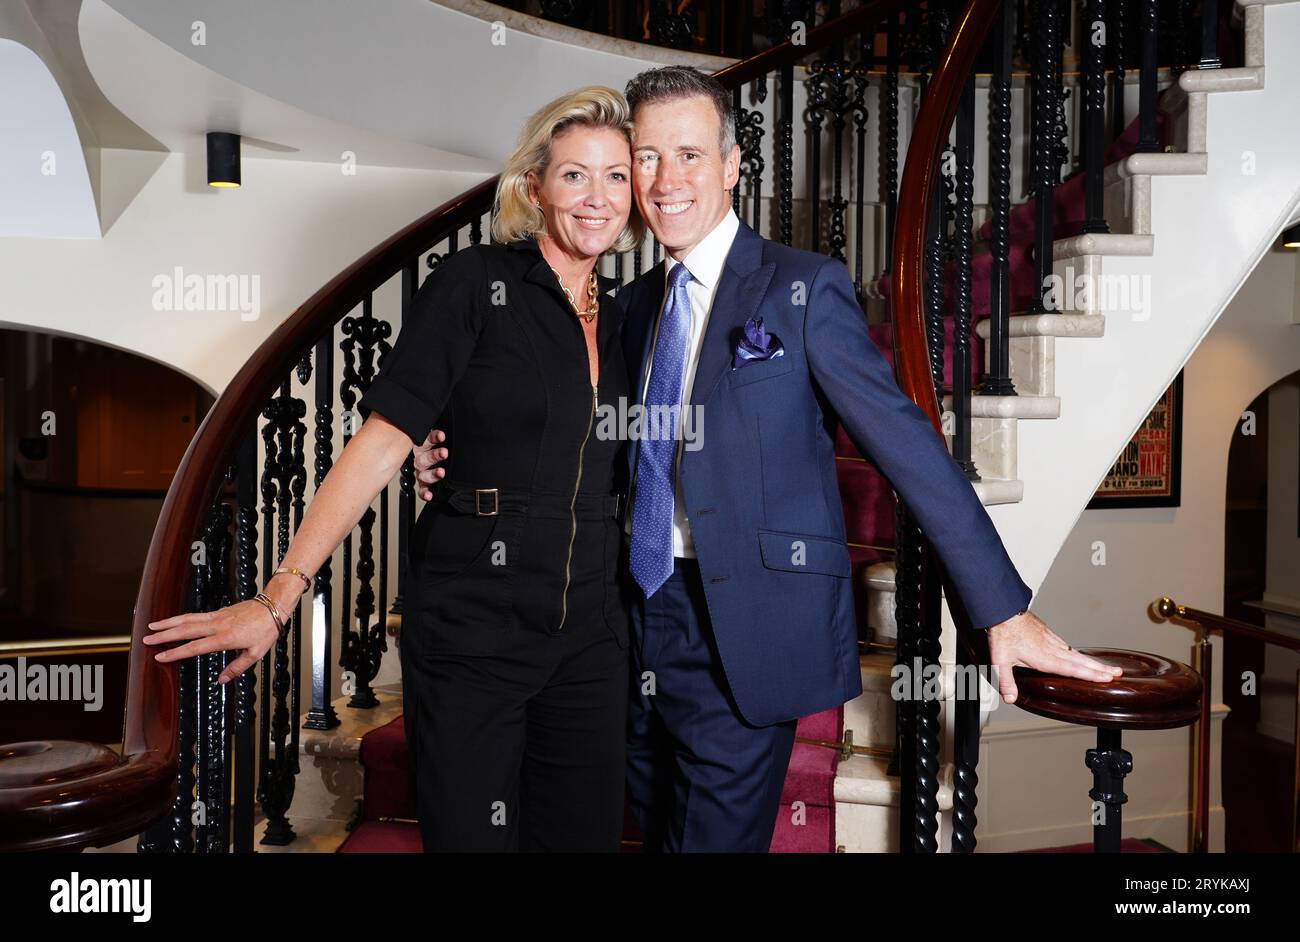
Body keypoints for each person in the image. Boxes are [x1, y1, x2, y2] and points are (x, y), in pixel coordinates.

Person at [413, 66, 1123, 854]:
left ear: (730, 165)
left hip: (747, 627)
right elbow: (573, 432)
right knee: (645, 829)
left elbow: (908, 446)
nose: (664, 179)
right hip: (626, 621)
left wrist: (999, 607)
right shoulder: (632, 307)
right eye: (645, 157)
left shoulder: (804, 288)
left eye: (688, 154)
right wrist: (440, 449)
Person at [144, 86, 643, 852]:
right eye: (575, 174)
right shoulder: (475, 284)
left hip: (592, 637)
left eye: (615, 176)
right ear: (535, 186)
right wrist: (281, 595)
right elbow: (382, 439)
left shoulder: (625, 316)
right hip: (474, 626)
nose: (597, 197)